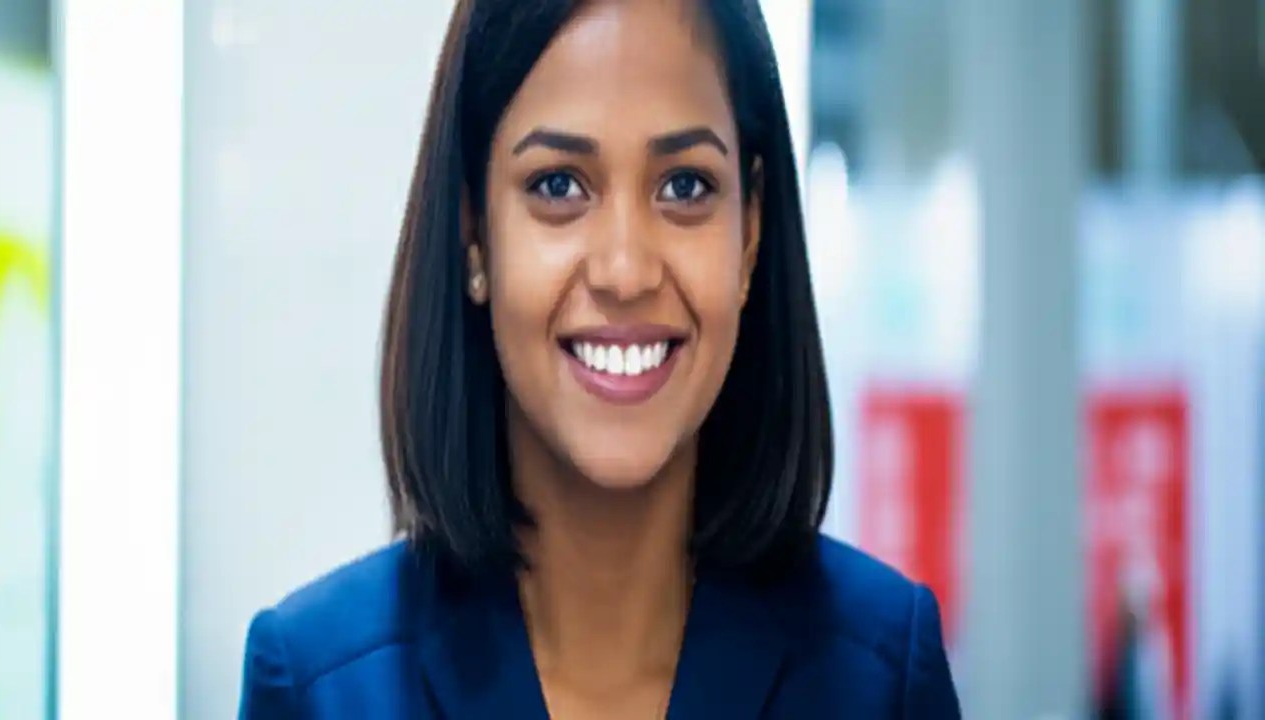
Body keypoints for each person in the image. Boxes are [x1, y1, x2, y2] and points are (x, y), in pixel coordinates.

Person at [238, 0, 960, 717]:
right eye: (558, 185)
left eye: (685, 185)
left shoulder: (881, 675)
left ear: (750, 232)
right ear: (473, 233)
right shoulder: (317, 686)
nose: (625, 270)